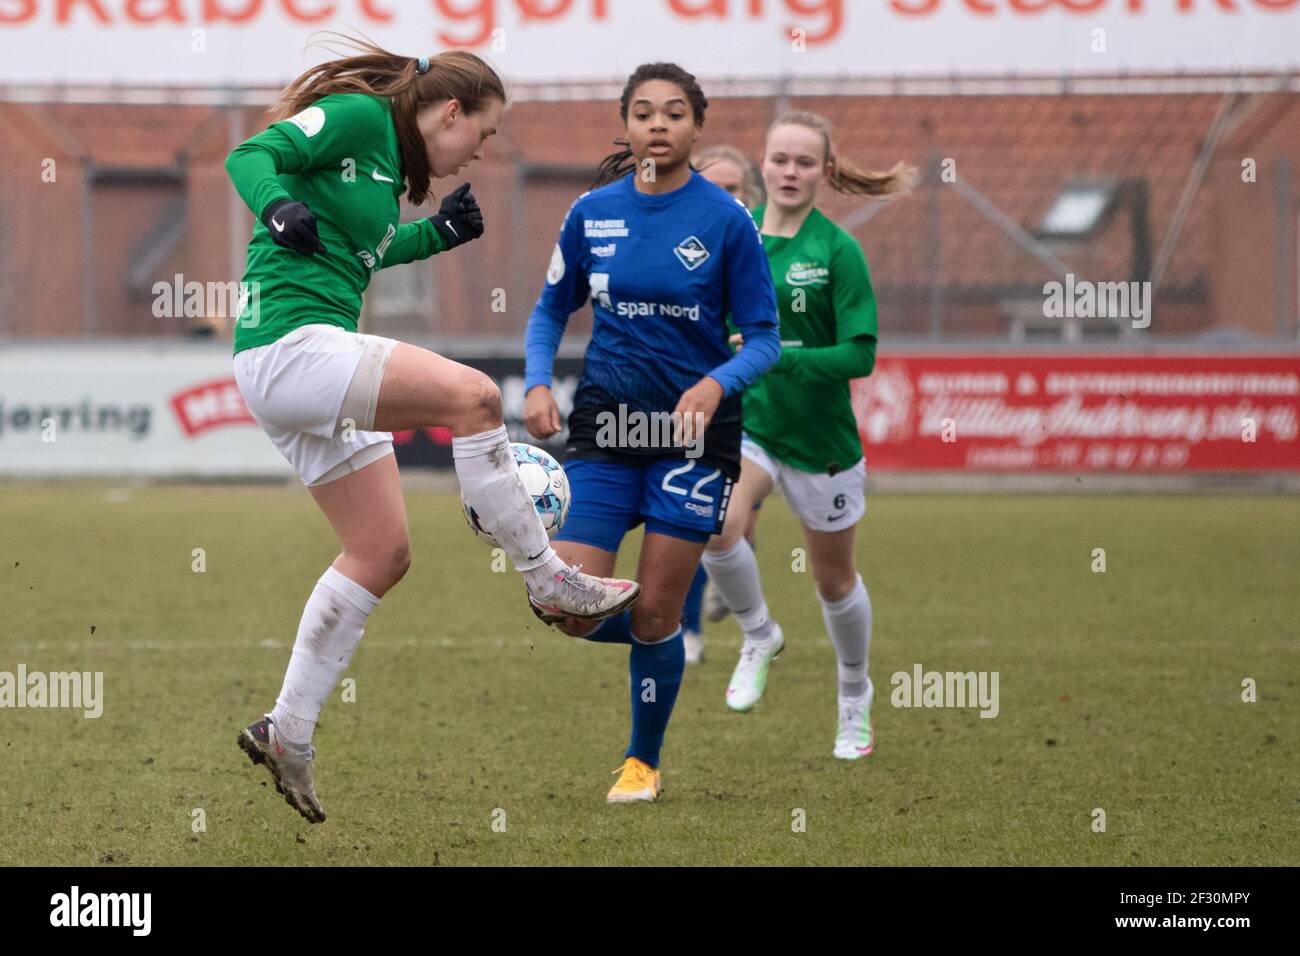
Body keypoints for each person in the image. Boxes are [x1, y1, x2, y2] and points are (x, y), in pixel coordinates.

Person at [226, 40, 639, 824]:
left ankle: (288, 731)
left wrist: (438, 234)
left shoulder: (384, 171)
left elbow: (360, 250)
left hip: (301, 361)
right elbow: (252, 154)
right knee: (478, 398)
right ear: (449, 111)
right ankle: (545, 575)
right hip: (289, 345)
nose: (479, 152)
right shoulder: (357, 118)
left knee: (382, 552)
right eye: (480, 134)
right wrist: (274, 202)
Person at [524, 62, 780, 802]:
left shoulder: (727, 221)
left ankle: (642, 762)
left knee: (658, 612)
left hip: (693, 436)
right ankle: (649, 633)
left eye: (674, 112)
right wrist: (539, 379)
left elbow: (763, 338)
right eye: (643, 113)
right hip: (607, 424)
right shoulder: (591, 212)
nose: (658, 125)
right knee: (563, 606)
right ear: (627, 125)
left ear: (696, 126)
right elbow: (549, 310)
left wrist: (714, 382)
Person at [701, 111, 913, 759]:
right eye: (780, 159)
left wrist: (778, 355)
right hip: (754, 427)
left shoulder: (837, 252)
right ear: (762, 166)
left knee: (834, 581)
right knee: (712, 520)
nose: (790, 171)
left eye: (803, 162)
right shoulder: (738, 241)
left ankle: (854, 697)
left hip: (821, 443)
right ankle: (759, 633)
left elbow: (859, 356)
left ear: (824, 171)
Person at [679, 144, 766, 663]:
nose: (723, 198)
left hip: (759, 409)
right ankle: (688, 630)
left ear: (751, 196)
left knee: (736, 522)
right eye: (711, 186)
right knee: (693, 516)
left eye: (732, 188)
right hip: (696, 403)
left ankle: (729, 577)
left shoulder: (765, 251)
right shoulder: (682, 250)